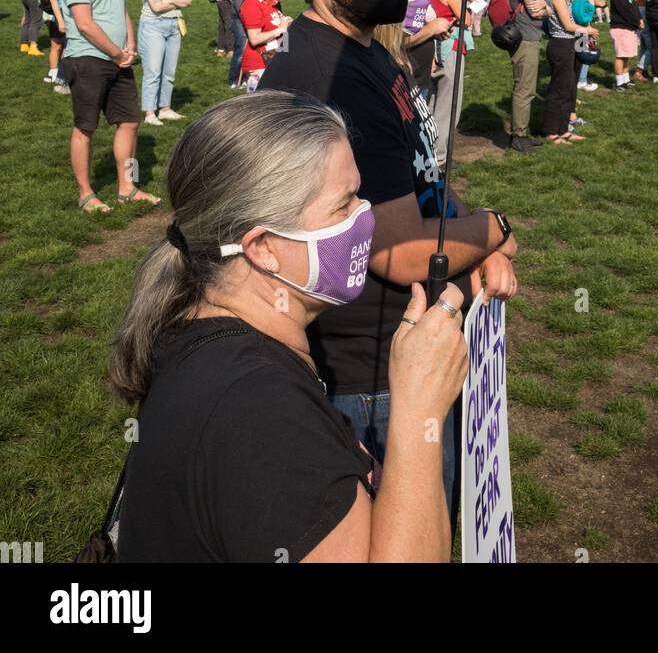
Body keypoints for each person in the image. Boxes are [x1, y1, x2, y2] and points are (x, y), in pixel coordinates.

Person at [109, 92, 469, 563]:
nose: (367, 215)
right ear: (261, 248)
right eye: (344, 206)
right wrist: (417, 409)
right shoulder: (260, 412)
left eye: (360, 194)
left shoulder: (203, 330)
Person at [257, 0, 517, 520]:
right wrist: (498, 231)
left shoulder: (371, 51)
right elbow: (400, 254)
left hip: (408, 346)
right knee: (405, 536)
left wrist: (473, 240)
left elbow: (420, 177)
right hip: (370, 373)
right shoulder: (327, 74)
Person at [59, 0, 160, 214]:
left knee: (130, 122)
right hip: (87, 58)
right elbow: (85, 23)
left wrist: (128, 45)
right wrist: (116, 53)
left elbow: (121, 10)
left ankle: (127, 187)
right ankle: (86, 193)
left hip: (119, 59)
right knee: (85, 127)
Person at [138, 0, 193, 127]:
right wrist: (177, 1)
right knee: (153, 71)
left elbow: (189, 1)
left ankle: (165, 108)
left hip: (174, 25)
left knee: (169, 70)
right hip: (153, 26)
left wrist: (168, 0)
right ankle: (149, 112)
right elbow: (156, 7)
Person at [426, 0, 473, 171]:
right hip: (450, 48)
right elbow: (467, 19)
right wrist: (465, 4)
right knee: (447, 105)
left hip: (436, 48)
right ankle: (439, 158)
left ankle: (428, 150)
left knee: (433, 102)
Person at [505, 0, 549, 152]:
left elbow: (539, 9)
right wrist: (549, 7)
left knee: (526, 88)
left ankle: (520, 132)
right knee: (524, 89)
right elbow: (536, 12)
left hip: (527, 38)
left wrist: (544, 5)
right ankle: (519, 137)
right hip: (525, 40)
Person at [239, 0, 292, 93]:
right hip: (259, 64)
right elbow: (254, 39)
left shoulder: (267, 3)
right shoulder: (251, 5)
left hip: (271, 60)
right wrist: (280, 29)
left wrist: (286, 24)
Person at [542, 0, 588, 143]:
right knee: (559, 91)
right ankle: (552, 132)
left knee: (567, 89)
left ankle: (563, 130)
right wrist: (589, 30)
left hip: (571, 43)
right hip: (561, 44)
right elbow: (568, 26)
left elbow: (583, 7)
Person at [402, 0, 451, 94]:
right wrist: (430, 30)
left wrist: (435, 33)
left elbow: (419, 31)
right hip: (405, 83)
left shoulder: (414, 10)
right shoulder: (390, 15)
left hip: (422, 78)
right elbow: (395, 43)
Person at [42, 0, 78, 92]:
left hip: (75, 14)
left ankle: (65, 80)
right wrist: (61, 21)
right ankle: (63, 82)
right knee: (69, 49)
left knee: (71, 48)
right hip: (64, 15)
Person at [609, 0, 643, 90]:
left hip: (629, 27)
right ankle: (619, 82)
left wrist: (639, 18)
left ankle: (625, 79)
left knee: (626, 55)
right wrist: (637, 23)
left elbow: (633, 6)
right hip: (620, 28)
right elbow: (625, 11)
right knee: (620, 55)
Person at [228, 0, 252, 89]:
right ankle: (233, 79)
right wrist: (245, 18)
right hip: (240, 18)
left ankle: (244, 77)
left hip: (250, 16)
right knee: (241, 50)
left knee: (249, 49)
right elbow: (238, 1)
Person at [630, 0, 651, 82]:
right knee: (651, 45)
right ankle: (639, 70)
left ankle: (643, 70)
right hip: (641, 10)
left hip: (639, 10)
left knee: (644, 44)